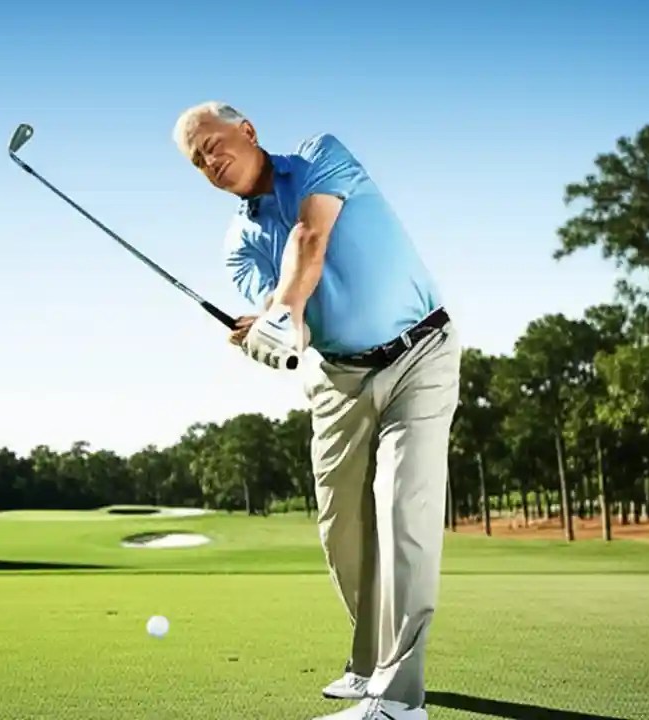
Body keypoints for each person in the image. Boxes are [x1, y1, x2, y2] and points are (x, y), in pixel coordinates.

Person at [172, 101, 462, 720]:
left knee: (402, 509)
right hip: (338, 382)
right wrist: (272, 338)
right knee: (341, 532)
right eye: (197, 161)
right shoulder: (238, 244)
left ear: (247, 131)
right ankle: (368, 663)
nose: (210, 161)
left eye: (213, 144)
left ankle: (399, 699)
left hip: (420, 354)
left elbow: (311, 237)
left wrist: (280, 314)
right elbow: (291, 324)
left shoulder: (317, 156)